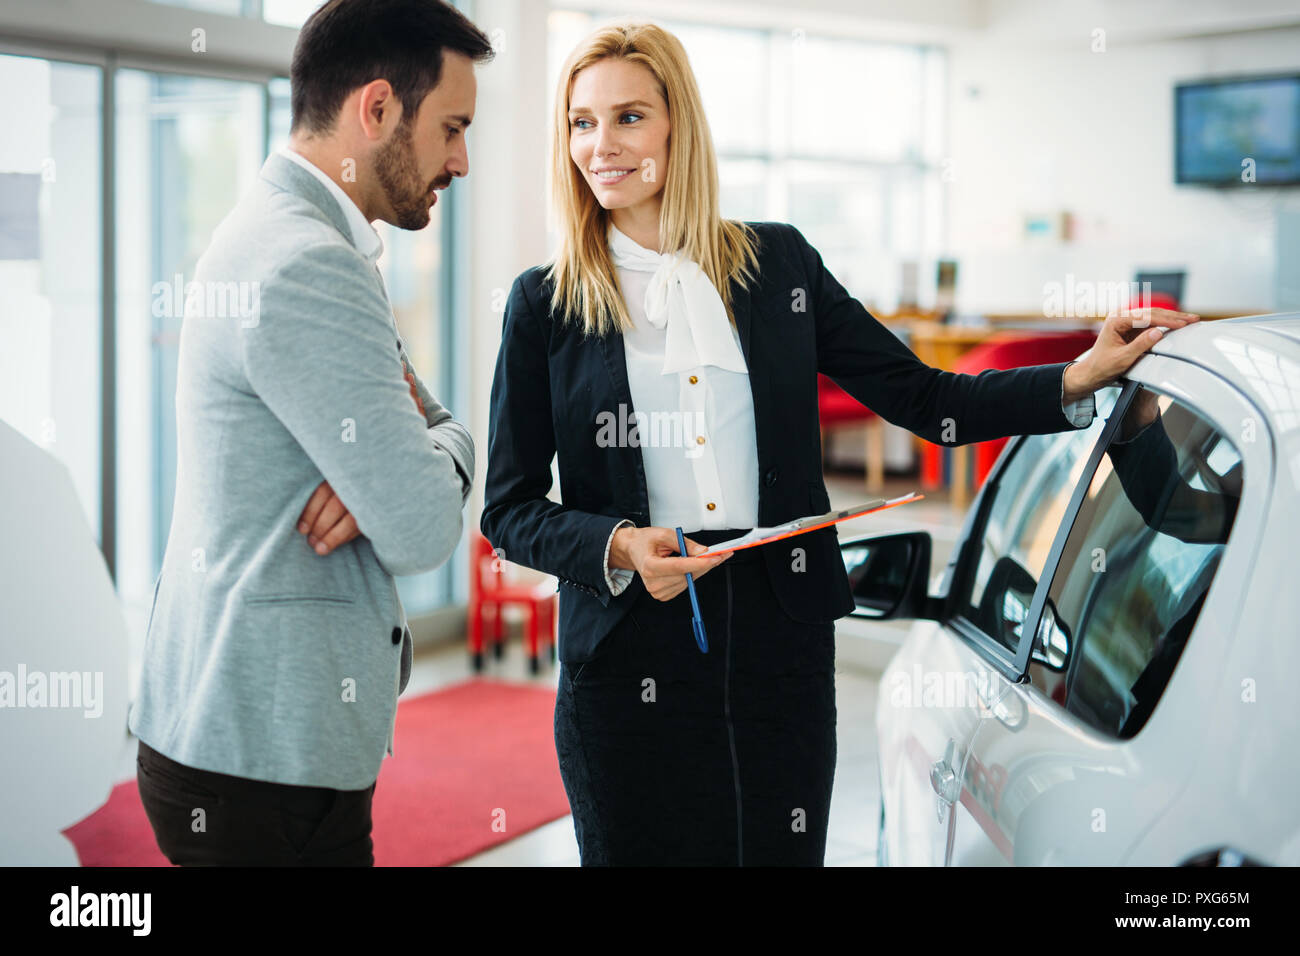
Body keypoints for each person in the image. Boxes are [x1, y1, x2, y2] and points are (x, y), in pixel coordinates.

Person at [481, 20, 1198, 866]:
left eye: (629, 117)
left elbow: (926, 399)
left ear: (679, 125)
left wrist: (1074, 379)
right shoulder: (545, 303)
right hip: (628, 646)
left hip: (779, 639)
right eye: (581, 122)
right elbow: (510, 507)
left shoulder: (778, 265)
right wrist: (616, 544)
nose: (601, 145)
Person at [129, 0, 493, 866]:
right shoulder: (308, 264)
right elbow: (418, 525)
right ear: (376, 111)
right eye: (451, 128)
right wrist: (421, 460)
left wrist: (421, 452)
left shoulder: (285, 231)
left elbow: (430, 435)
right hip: (261, 764)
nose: (462, 161)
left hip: (233, 742)